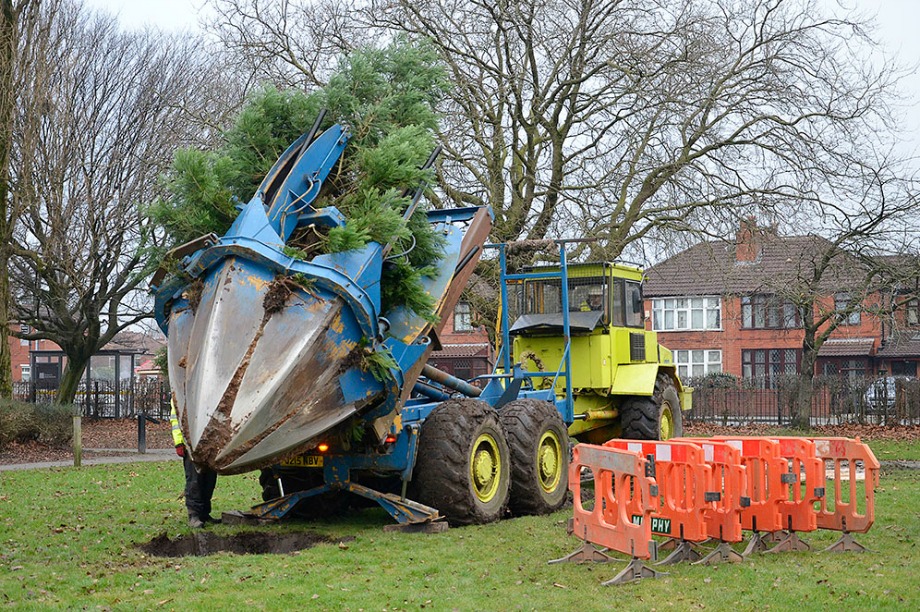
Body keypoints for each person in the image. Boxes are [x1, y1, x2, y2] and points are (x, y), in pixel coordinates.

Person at [170, 402, 219, 528]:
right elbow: (176, 418)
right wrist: (179, 442)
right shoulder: (183, 387)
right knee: (194, 480)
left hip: (209, 440)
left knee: (209, 480)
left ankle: (204, 514)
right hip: (190, 441)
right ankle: (194, 515)